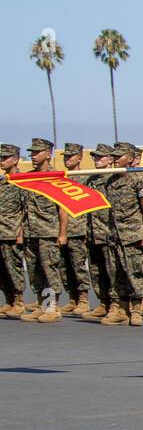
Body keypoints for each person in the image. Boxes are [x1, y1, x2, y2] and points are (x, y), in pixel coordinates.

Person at [100, 142, 143, 327]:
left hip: (134, 235)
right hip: (115, 234)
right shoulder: (110, 180)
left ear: (130, 158)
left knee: (135, 272)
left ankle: (137, 309)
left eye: (118, 156)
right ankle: (122, 309)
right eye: (113, 156)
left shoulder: (140, 179)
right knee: (116, 273)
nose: (114, 159)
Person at [19, 137, 67, 322]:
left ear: (48, 154)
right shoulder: (28, 177)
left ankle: (53, 308)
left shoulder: (56, 178)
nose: (32, 156)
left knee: (50, 270)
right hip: (31, 232)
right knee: (34, 271)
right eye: (31, 152)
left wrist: (63, 232)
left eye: (36, 152)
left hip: (48, 232)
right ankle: (42, 305)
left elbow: (63, 208)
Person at [82, 144, 117, 318]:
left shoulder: (115, 179)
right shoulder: (91, 180)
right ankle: (103, 302)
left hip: (108, 232)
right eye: (94, 157)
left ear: (110, 159)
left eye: (100, 157)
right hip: (92, 232)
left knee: (112, 271)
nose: (96, 159)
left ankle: (115, 305)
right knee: (96, 271)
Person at [58, 143, 92, 316]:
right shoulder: (63, 178)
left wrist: (87, 231)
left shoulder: (86, 178)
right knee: (64, 267)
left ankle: (84, 300)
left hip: (78, 229)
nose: (67, 159)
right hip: (62, 230)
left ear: (80, 157)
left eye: (71, 156)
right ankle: (72, 298)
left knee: (78, 266)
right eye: (65, 156)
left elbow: (90, 208)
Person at [0, 144, 25, 317]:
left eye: (5, 157)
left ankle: (19, 300)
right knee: (1, 270)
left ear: (15, 159)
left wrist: (21, 233)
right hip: (0, 232)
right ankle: (8, 299)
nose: (1, 161)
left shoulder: (22, 182)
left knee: (13, 268)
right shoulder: (2, 181)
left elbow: (26, 210)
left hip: (12, 231)